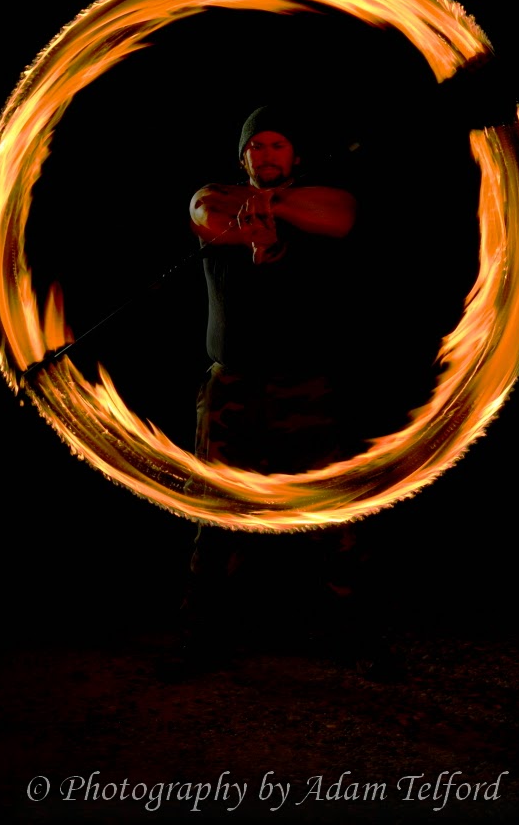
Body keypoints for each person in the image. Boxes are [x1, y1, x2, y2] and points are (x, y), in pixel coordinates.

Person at [173, 103, 386, 674]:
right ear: (242, 156)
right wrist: (253, 221)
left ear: (295, 155)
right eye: (256, 146)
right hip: (232, 390)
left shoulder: (325, 198)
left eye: (277, 145)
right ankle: (203, 636)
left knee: (335, 511)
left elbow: (341, 216)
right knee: (219, 514)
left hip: (309, 388)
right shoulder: (215, 192)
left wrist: (270, 207)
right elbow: (206, 213)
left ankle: (348, 633)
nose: (266, 155)